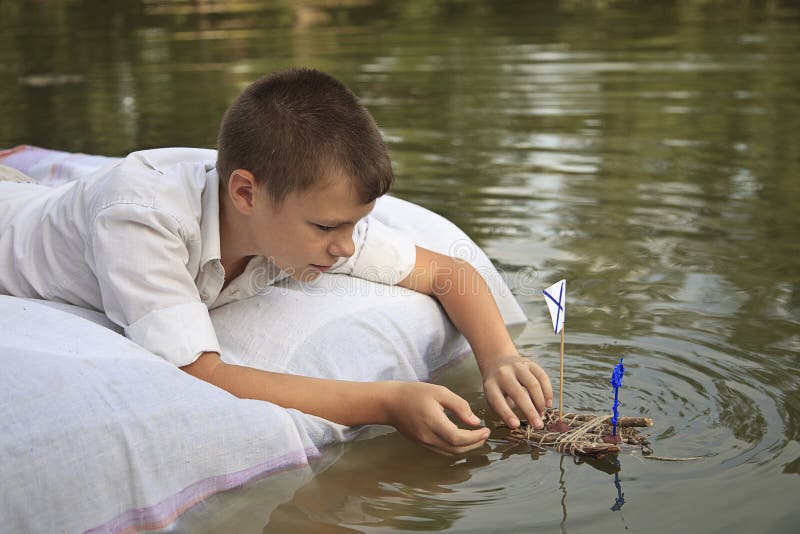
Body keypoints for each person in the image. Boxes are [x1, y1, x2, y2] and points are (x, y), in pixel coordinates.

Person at [0, 68, 552, 454]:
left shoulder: (297, 214)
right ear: (245, 194)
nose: (345, 247)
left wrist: (498, 356)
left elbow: (446, 272)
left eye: (354, 226)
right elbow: (199, 371)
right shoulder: (141, 220)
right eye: (327, 227)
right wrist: (386, 401)